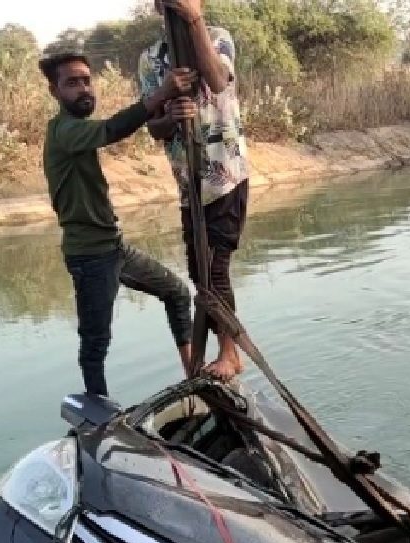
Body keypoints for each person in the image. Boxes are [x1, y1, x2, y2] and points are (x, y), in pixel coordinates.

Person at [39, 50, 199, 400]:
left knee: (177, 292)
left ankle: (194, 376)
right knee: (95, 342)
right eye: (71, 83)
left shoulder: (74, 129)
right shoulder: (65, 131)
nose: (83, 89)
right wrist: (159, 95)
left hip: (114, 248)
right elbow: (112, 129)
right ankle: (99, 418)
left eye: (86, 80)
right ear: (55, 92)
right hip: (91, 256)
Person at [139, 0, 251, 380]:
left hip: (225, 177)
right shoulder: (151, 59)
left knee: (216, 268)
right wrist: (169, 113)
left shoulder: (218, 38)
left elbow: (218, 81)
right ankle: (210, 355)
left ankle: (231, 354)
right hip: (189, 184)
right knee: (198, 271)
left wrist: (194, 18)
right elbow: (154, 128)